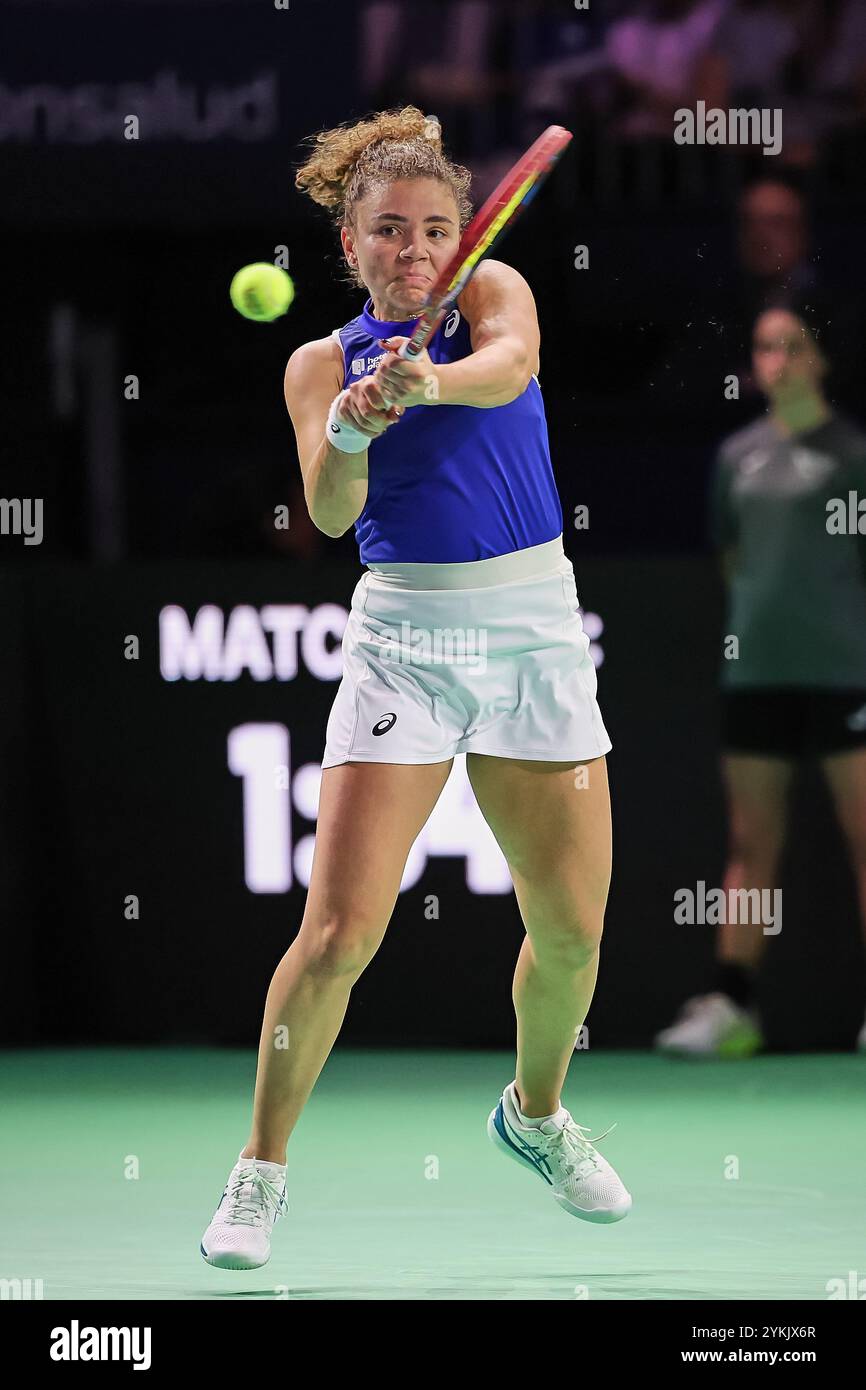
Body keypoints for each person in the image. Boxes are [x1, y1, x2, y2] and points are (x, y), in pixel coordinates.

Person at [200, 105, 631, 1270]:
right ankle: (259, 1171)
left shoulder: (493, 296)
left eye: (436, 229)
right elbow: (332, 512)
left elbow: (509, 371)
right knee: (338, 932)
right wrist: (350, 420)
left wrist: (423, 388)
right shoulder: (312, 361)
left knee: (573, 931)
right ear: (348, 244)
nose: (416, 249)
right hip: (408, 639)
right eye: (389, 231)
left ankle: (532, 1116)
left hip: (535, 626)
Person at [656, 305, 866, 1057]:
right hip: (757, 676)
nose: (777, 359)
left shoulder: (853, 454)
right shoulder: (736, 456)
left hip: (846, 677)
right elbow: (734, 559)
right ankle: (734, 1006)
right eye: (766, 347)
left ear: (820, 362)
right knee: (751, 843)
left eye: (793, 346)